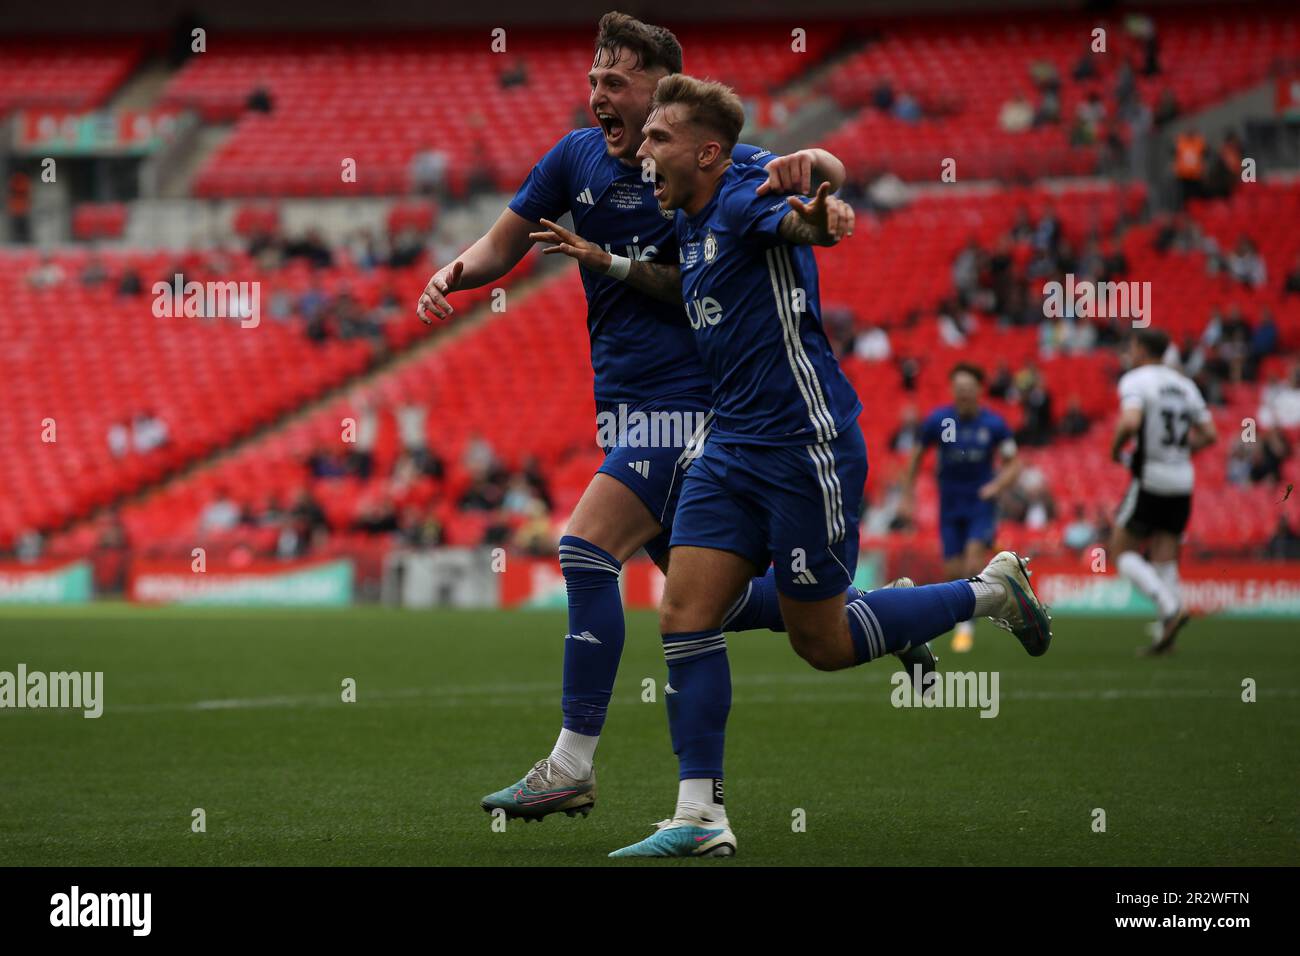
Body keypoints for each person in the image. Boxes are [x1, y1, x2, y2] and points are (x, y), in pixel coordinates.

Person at [577, 74, 1051, 857]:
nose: (644, 155)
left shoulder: (737, 199)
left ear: (705, 151)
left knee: (823, 644)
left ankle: (992, 590)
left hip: (807, 447)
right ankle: (700, 816)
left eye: (659, 141)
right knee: (687, 615)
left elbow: (808, 211)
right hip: (729, 447)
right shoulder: (688, 218)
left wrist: (825, 209)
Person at [414, 12, 853, 825]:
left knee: (584, 546)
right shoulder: (576, 158)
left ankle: (571, 764)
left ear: (662, 97)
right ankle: (866, 612)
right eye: (593, 82)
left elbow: (780, 210)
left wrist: (824, 191)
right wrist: (455, 271)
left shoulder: (705, 170)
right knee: (714, 603)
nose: (597, 99)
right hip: (623, 403)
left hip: (691, 404)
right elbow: (506, 241)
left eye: (615, 84)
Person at [899, 363, 1022, 652]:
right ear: (953, 390)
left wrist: (996, 487)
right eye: (960, 388)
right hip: (950, 502)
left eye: (970, 388)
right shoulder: (939, 421)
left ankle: (967, 626)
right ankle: (966, 610)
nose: (964, 393)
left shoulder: (994, 424)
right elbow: (916, 456)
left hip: (980, 502)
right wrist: (907, 495)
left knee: (971, 561)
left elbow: (1014, 463)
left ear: (980, 390)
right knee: (952, 569)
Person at [1109, 328, 1217, 654]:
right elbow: (1210, 434)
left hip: (1151, 477)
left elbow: (1129, 422)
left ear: (1141, 349)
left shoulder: (1136, 380)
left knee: (1120, 551)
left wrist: (1115, 450)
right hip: (1183, 479)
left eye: (1131, 347)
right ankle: (1168, 631)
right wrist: (1180, 452)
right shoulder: (1185, 385)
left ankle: (1170, 606)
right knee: (1164, 556)